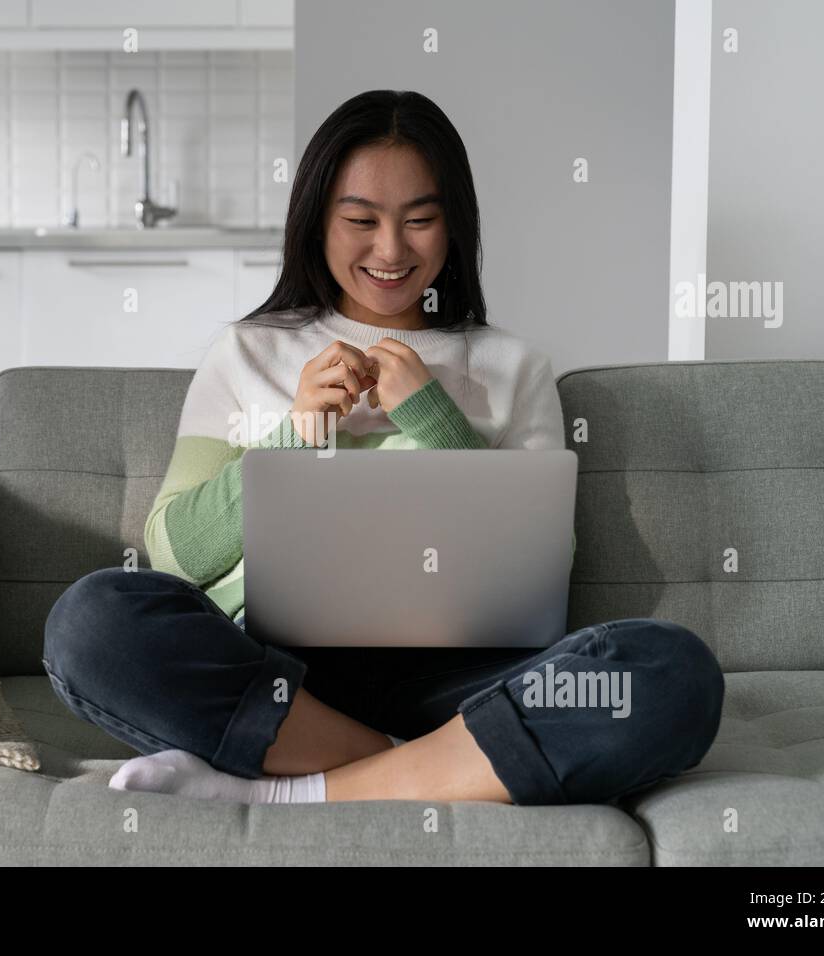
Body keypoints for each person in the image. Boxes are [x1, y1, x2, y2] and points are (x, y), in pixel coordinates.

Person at [42, 90, 724, 807]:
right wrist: (299, 435)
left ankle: (284, 793)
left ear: (453, 226)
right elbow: (176, 555)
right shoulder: (247, 352)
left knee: (670, 670)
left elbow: (545, 570)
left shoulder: (513, 366)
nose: (392, 250)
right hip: (278, 678)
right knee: (92, 622)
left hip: (463, 678)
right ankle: (434, 770)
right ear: (317, 222)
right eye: (361, 220)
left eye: (420, 220)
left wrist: (437, 422)